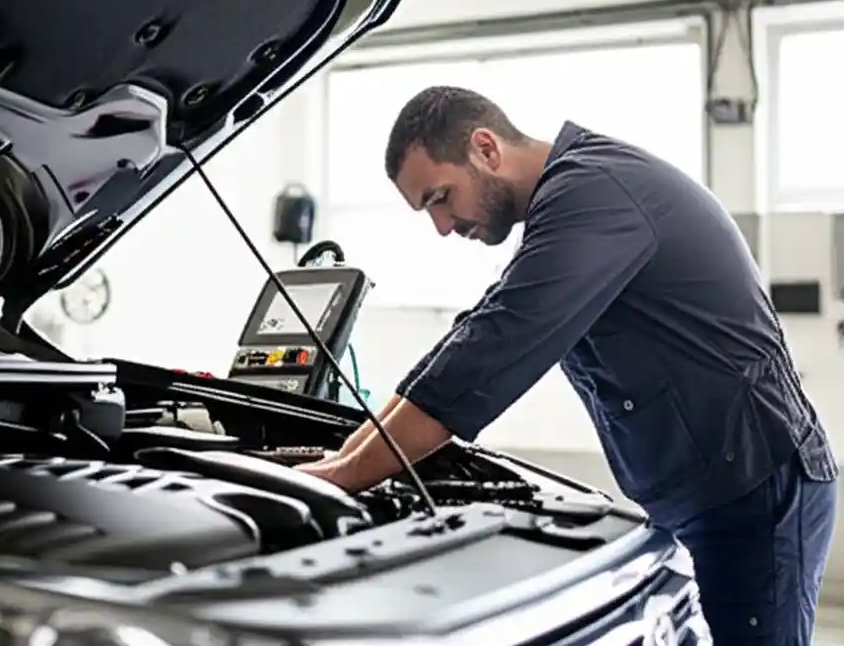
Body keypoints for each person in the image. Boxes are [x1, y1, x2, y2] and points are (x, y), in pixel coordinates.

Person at [295, 85, 839, 644]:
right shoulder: (568, 204)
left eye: (440, 197)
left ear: (486, 149)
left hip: (757, 487)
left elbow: (493, 349)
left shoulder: (598, 194)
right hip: (709, 486)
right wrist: (345, 454)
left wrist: (345, 476)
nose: (441, 225)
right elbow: (476, 329)